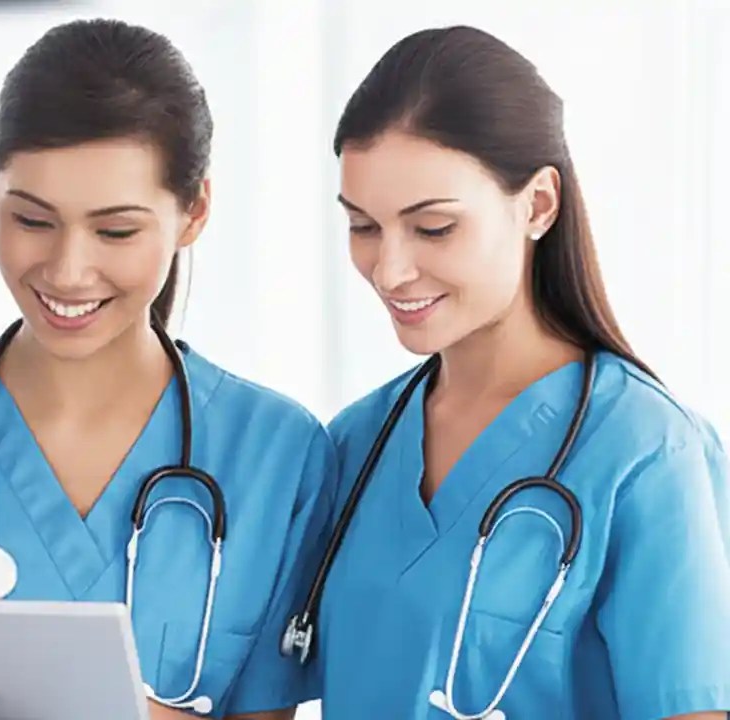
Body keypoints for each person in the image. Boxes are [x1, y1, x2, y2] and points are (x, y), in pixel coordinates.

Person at [0, 18, 336, 720]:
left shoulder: (275, 456)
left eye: (116, 230)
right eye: (32, 220)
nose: (67, 270)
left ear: (194, 210)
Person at [302, 25, 730, 720]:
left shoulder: (647, 450)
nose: (389, 269)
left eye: (433, 227)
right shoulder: (355, 444)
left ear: (537, 205)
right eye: (363, 226)